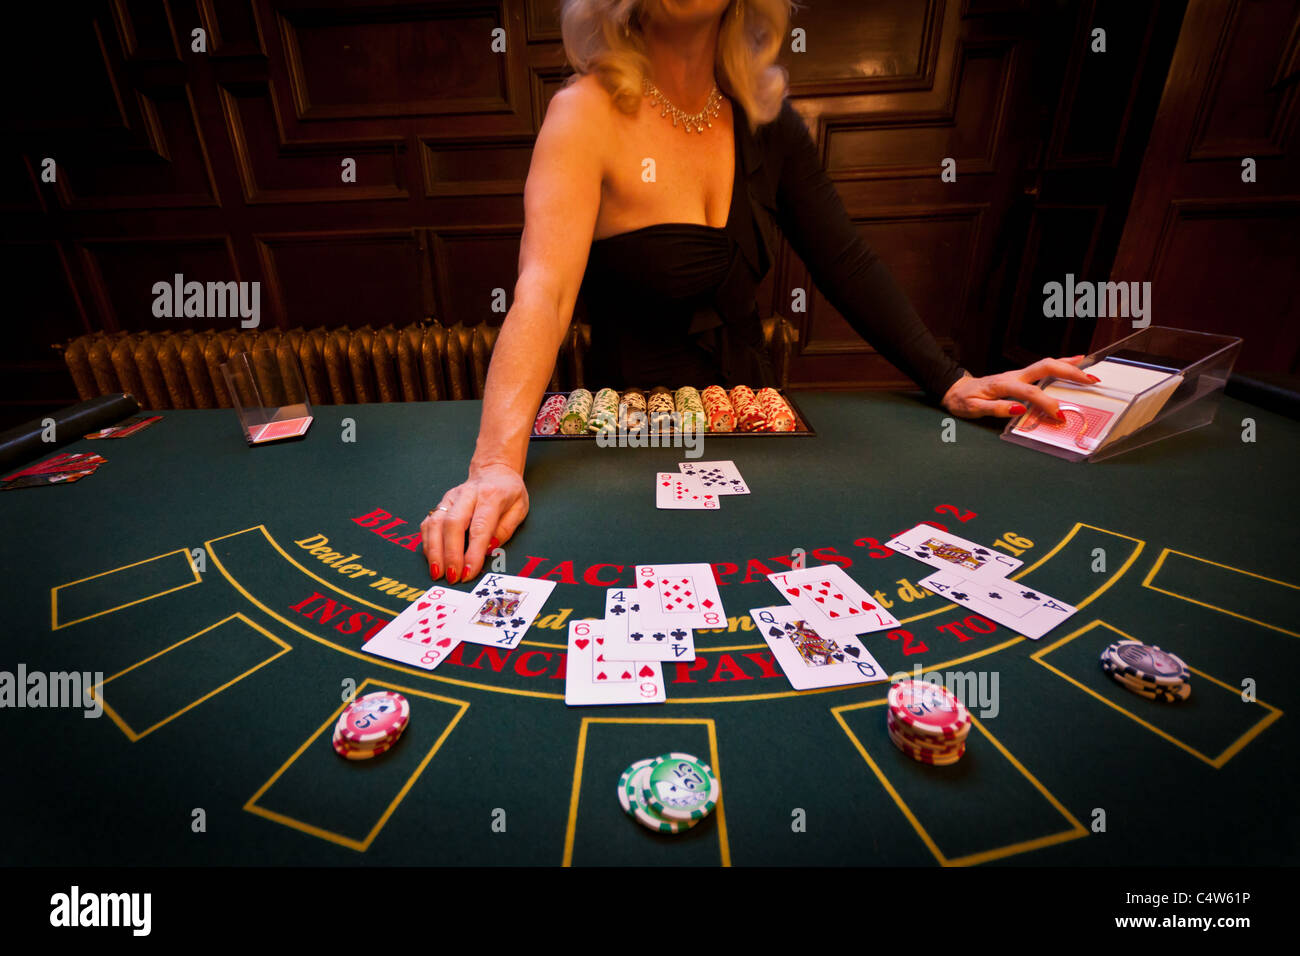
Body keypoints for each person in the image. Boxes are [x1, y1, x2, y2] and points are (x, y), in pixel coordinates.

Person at [421, 0, 1098, 584]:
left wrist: (949, 380)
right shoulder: (584, 114)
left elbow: (847, 261)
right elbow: (543, 292)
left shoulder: (767, 122)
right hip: (629, 445)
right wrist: (495, 466)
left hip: (759, 431)